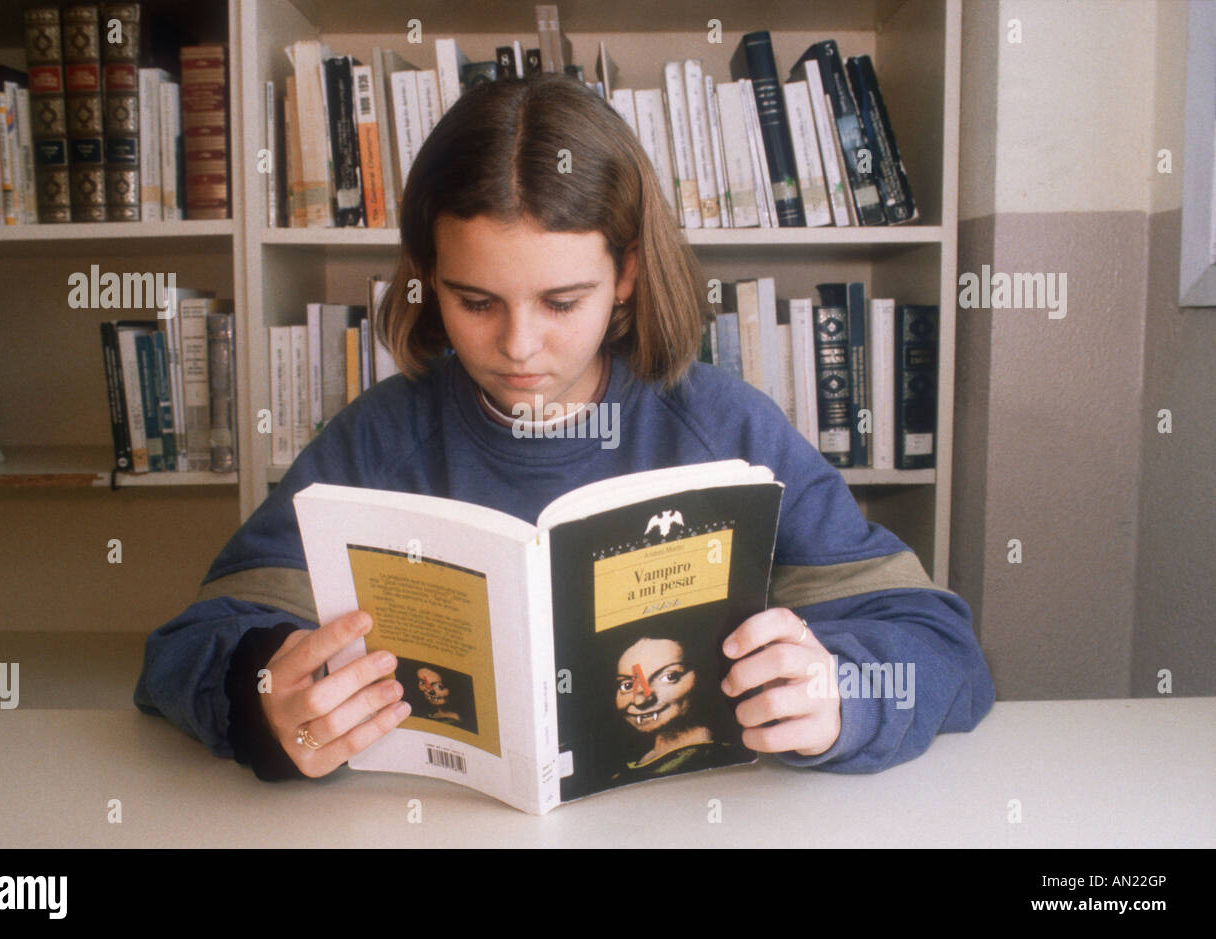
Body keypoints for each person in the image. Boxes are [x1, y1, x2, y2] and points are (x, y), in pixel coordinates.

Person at [134, 73, 995, 782]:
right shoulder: (375, 442)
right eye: (475, 302)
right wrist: (261, 700)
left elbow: (941, 648)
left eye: (561, 301)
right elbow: (183, 651)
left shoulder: (729, 429)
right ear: (428, 279)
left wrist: (844, 693)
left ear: (624, 275)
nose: (517, 347)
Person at [608, 636, 742, 785]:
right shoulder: (629, 771)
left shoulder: (722, 758)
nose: (640, 701)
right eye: (627, 686)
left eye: (669, 677)